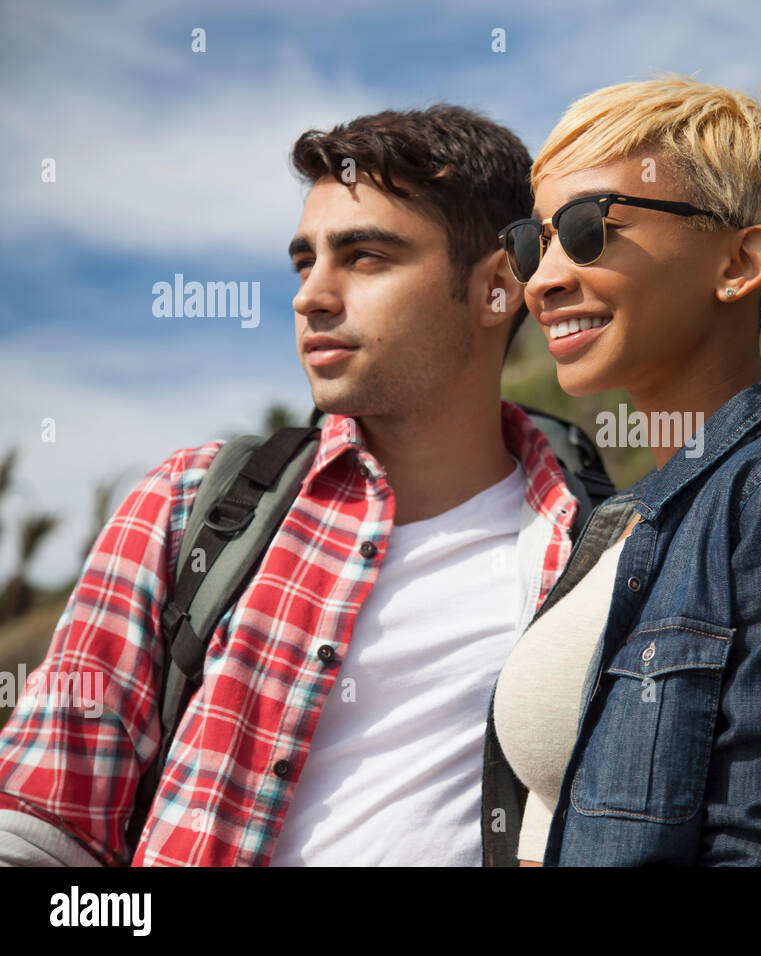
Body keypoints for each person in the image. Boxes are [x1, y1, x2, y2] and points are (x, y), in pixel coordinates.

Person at [0, 105, 602, 866]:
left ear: (494, 289)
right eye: (304, 260)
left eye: (364, 257)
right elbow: (36, 832)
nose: (310, 295)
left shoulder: (598, 549)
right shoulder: (190, 504)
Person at [486, 75, 761, 866]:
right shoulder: (626, 522)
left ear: (739, 262)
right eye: (532, 242)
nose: (540, 280)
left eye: (588, 229)